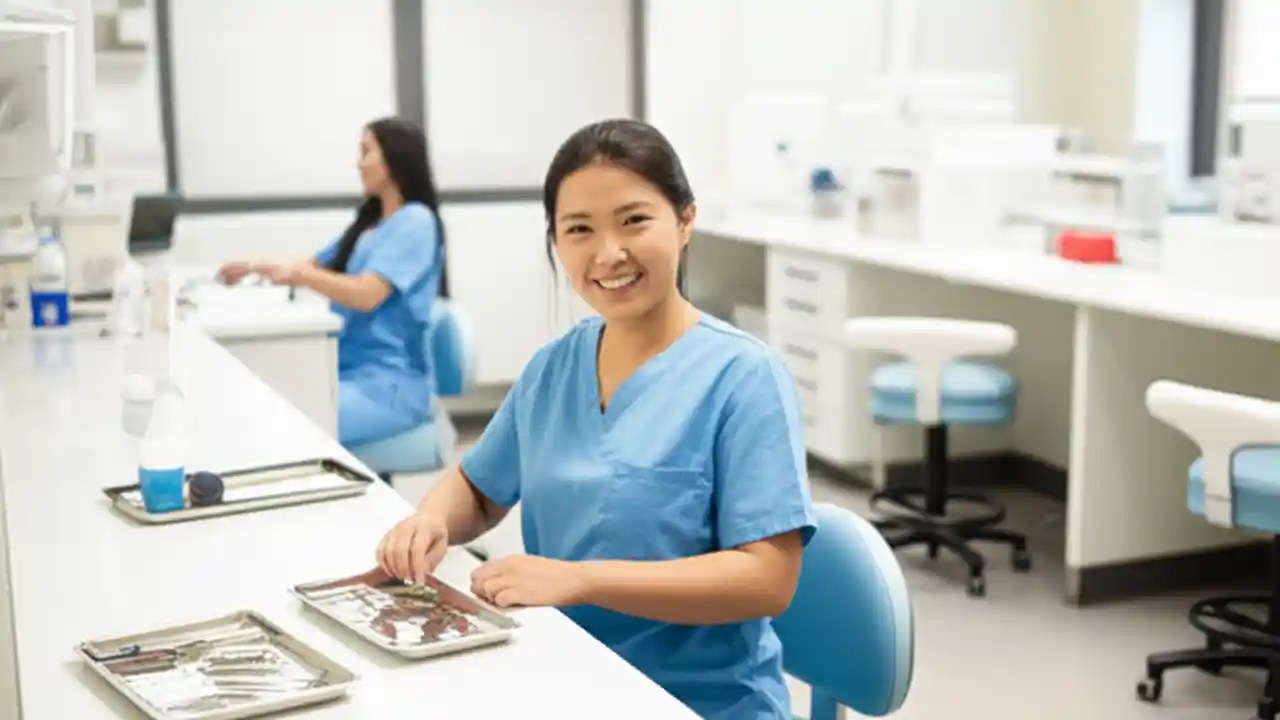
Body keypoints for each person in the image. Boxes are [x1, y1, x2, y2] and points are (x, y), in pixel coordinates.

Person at [375, 118, 816, 719]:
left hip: (697, 703)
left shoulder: (742, 377)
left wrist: (580, 581)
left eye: (634, 220)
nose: (609, 254)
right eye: (578, 230)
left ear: (685, 220)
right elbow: (479, 489)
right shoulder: (556, 367)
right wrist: (430, 520)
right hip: (564, 678)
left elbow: (768, 580)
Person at [217, 117, 448, 451]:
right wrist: (253, 267)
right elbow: (308, 265)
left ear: (394, 159)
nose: (359, 162)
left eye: (366, 151)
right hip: (347, 374)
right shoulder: (370, 225)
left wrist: (302, 276)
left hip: (391, 386)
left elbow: (367, 295)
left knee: (280, 426)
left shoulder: (416, 222)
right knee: (260, 405)